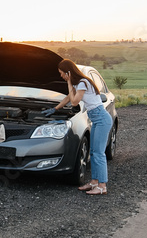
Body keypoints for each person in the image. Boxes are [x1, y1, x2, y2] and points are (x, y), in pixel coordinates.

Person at [42, 59, 113, 195]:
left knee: (98, 153)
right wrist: (54, 109)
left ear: (69, 72)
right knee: (93, 152)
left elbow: (74, 102)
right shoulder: (80, 83)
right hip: (97, 119)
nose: (61, 76)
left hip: (102, 119)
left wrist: (69, 82)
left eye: (62, 73)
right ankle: (94, 183)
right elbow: (68, 98)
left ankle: (102, 186)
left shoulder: (82, 82)